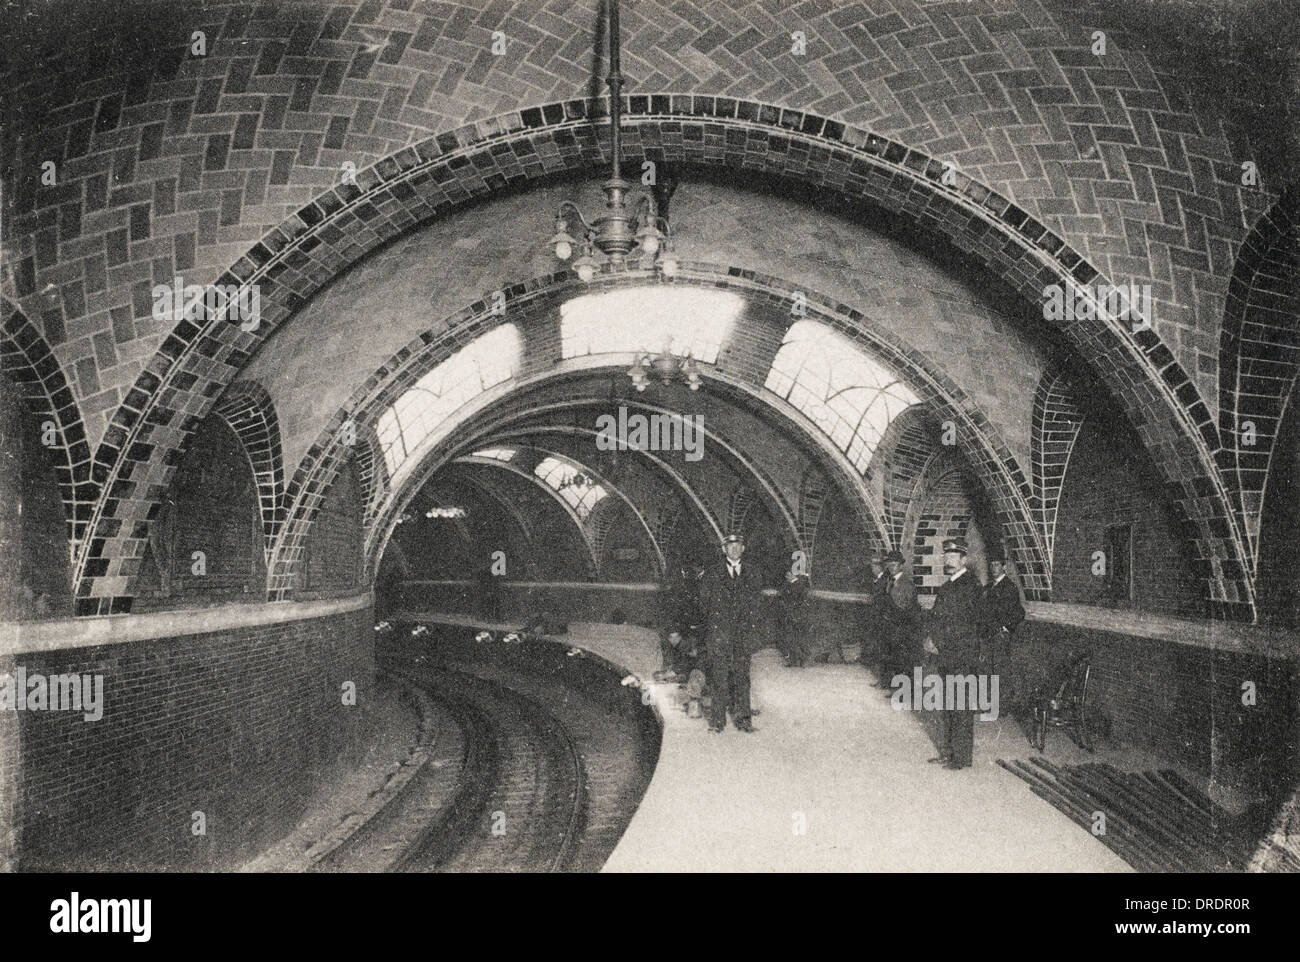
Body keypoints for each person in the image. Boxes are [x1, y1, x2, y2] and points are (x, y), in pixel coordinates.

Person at [923, 538, 983, 770]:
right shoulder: (949, 586)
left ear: (963, 559)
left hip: (962, 656)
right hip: (948, 654)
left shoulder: (970, 586)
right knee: (949, 705)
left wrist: (937, 640)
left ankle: (960, 759)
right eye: (946, 557)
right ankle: (949, 753)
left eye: (953, 557)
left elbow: (962, 624)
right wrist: (931, 638)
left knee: (960, 707)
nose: (948, 561)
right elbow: (938, 617)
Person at [699, 532, 763, 733]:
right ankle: (718, 723)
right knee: (719, 678)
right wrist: (714, 627)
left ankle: (744, 721)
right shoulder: (712, 572)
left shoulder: (753, 572)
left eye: (738, 546)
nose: (734, 549)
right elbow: (703, 603)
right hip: (720, 635)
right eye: (730, 546)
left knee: (743, 678)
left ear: (743, 549)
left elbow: (757, 605)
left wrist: (751, 631)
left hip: (742, 636)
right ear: (724, 549)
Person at [982, 546, 1026, 710]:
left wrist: (1006, 628)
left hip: (999, 635)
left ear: (1004, 567)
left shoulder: (1009, 587)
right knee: (989, 669)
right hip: (988, 634)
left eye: (997, 565)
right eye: (992, 565)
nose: (994, 568)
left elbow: (1019, 612)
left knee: (1000, 670)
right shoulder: (989, 588)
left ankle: (1001, 706)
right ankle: (990, 704)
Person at [878, 549, 920, 689]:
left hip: (902, 627)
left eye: (894, 564)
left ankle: (904, 690)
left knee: (902, 659)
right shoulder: (890, 581)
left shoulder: (905, 583)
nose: (891, 567)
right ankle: (895, 686)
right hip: (891, 626)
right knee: (893, 657)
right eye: (889, 564)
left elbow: (903, 606)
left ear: (901, 565)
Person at [777, 568, 811, 667]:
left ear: (792, 575)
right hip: (790, 615)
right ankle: (795, 660)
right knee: (790, 639)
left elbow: (801, 601)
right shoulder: (787, 585)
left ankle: (802, 659)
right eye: (786, 575)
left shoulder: (800, 585)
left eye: (788, 574)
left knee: (797, 639)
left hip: (797, 616)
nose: (786, 576)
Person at [861, 552, 888, 670]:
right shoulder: (877, 579)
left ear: (878, 567)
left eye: (872, 567)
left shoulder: (884, 580)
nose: (871, 569)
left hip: (880, 617)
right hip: (875, 616)